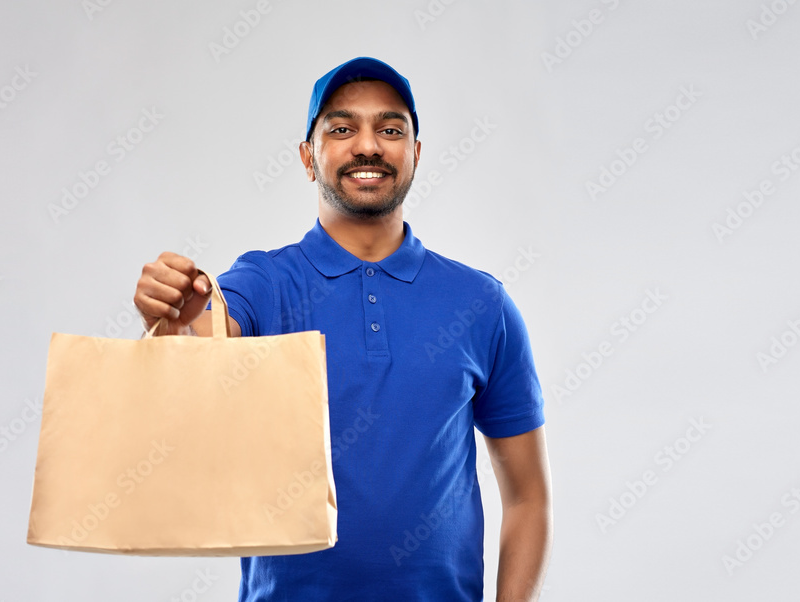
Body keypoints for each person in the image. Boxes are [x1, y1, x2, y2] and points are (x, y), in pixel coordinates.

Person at [133, 57, 552, 601]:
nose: (368, 145)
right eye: (341, 128)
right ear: (309, 157)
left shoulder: (481, 303)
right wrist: (173, 321)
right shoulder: (263, 283)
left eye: (390, 128)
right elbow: (201, 349)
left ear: (415, 155)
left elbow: (527, 499)